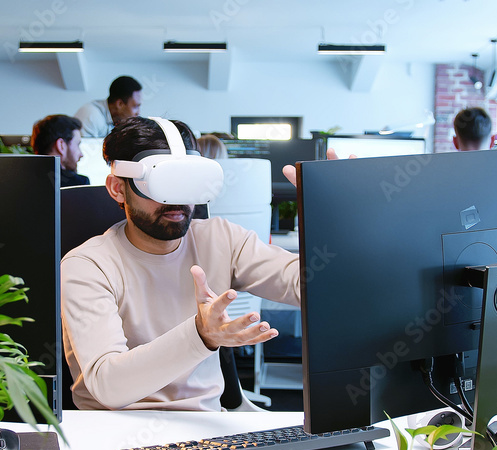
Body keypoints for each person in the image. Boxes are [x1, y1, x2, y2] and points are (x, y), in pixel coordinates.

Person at [60, 116, 301, 411]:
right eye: (161, 183)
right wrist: (200, 335)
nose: (177, 200)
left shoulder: (220, 238)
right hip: (114, 433)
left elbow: (307, 287)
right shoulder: (88, 265)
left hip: (208, 428)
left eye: (185, 182)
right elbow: (107, 385)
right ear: (118, 189)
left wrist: (340, 218)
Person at [30, 114, 89, 188]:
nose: (81, 154)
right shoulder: (78, 183)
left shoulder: (22, 180)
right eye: (77, 144)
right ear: (61, 145)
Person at [74, 75, 143, 138]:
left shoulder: (117, 120)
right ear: (120, 104)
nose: (138, 113)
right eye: (135, 106)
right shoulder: (91, 115)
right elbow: (84, 150)